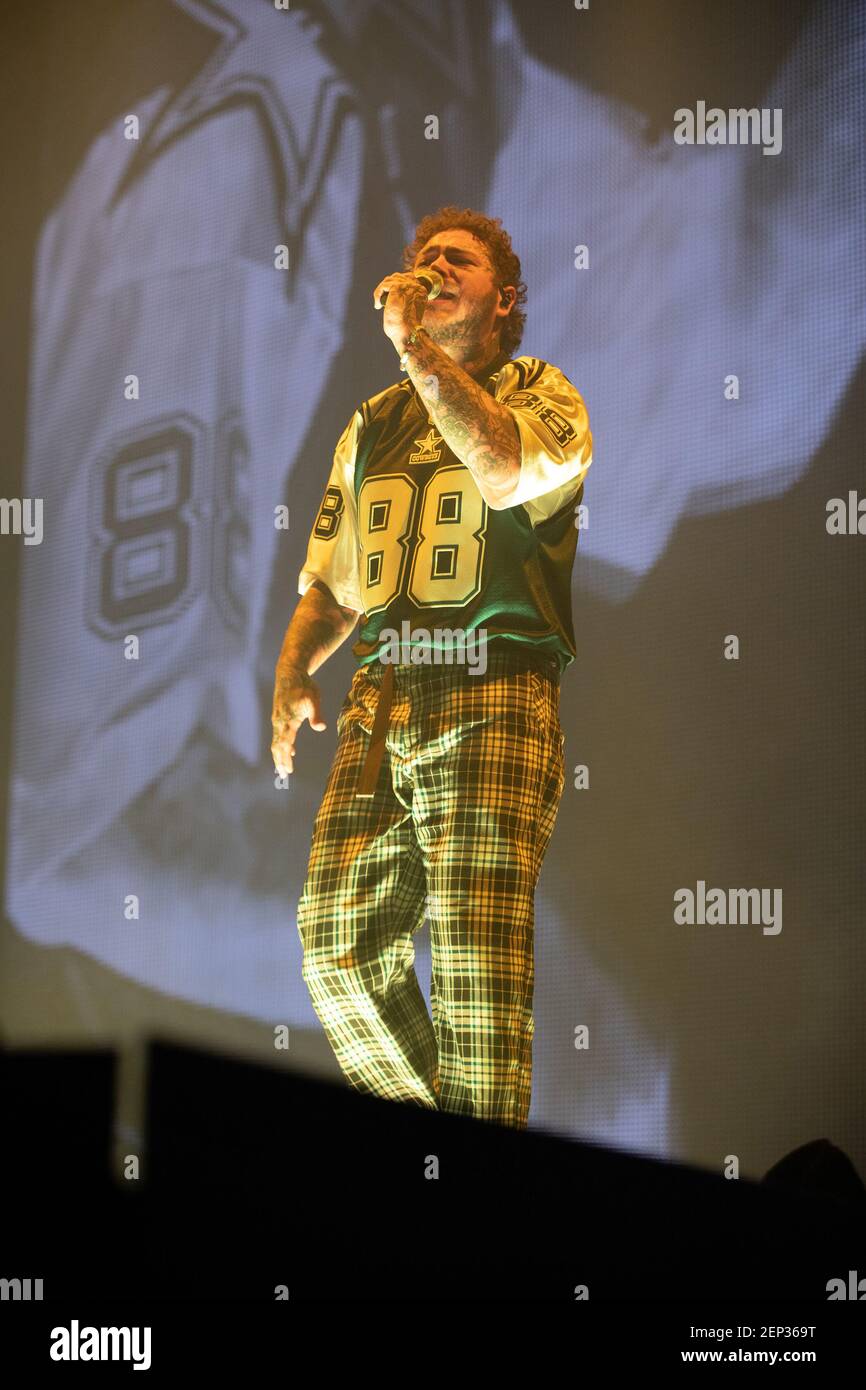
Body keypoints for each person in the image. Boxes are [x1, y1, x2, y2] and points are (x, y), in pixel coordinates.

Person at [272, 207, 593, 1128]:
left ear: (506, 300)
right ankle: (466, 1167)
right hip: (384, 692)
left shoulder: (545, 394)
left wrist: (415, 349)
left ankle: (477, 1224)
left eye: (457, 260)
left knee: (473, 972)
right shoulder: (370, 425)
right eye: (421, 259)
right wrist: (294, 676)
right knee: (335, 943)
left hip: (495, 686)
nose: (431, 267)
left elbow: (499, 469)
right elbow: (333, 587)